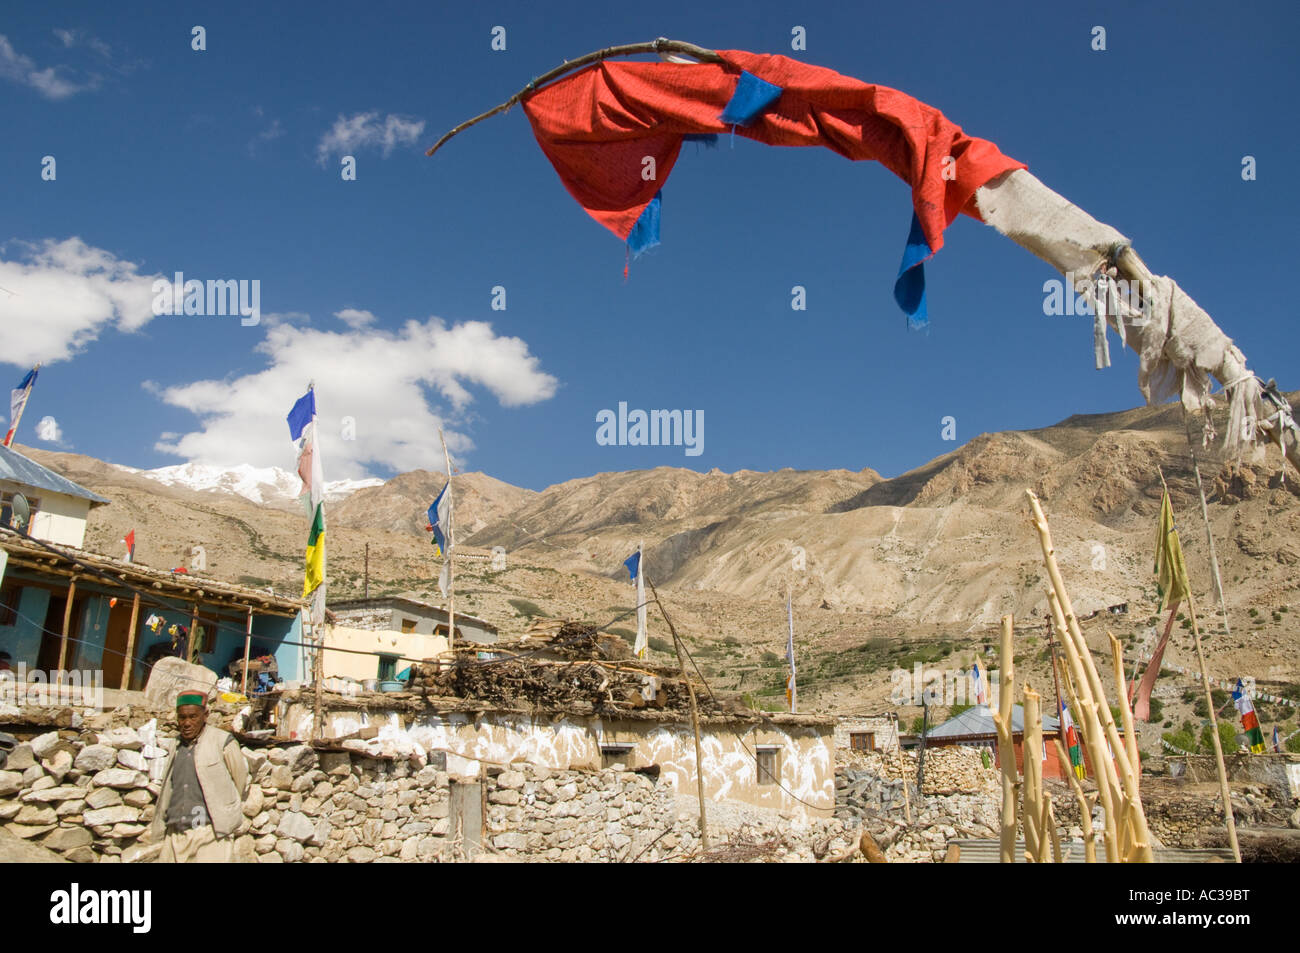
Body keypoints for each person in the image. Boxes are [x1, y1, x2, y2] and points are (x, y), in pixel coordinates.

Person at [147, 690, 248, 862]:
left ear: (205, 715)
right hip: (176, 834)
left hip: (210, 834)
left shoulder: (222, 741)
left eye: (193, 717)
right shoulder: (175, 746)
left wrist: (225, 811)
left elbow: (240, 781)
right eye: (182, 717)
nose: (187, 723)